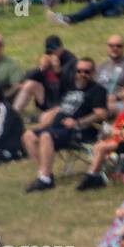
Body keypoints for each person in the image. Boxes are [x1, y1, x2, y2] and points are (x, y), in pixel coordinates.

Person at [22, 56, 108, 192]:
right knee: (28, 135)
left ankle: (44, 180)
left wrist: (78, 122)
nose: (82, 75)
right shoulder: (71, 88)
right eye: (79, 71)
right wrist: (48, 118)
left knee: (46, 136)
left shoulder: (98, 90)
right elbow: (61, 108)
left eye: (86, 72)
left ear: (93, 73)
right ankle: (45, 174)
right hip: (57, 129)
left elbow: (101, 114)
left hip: (78, 132)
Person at [76, 80, 124, 190]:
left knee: (102, 147)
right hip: (118, 139)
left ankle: (92, 175)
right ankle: (94, 174)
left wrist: (118, 130)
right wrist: (117, 130)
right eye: (123, 99)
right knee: (98, 145)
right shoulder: (123, 113)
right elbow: (115, 128)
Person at [94, 35, 124, 103]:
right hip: (98, 101)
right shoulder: (102, 66)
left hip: (118, 103)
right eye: (111, 46)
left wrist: (116, 97)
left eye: (118, 46)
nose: (114, 48)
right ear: (107, 47)